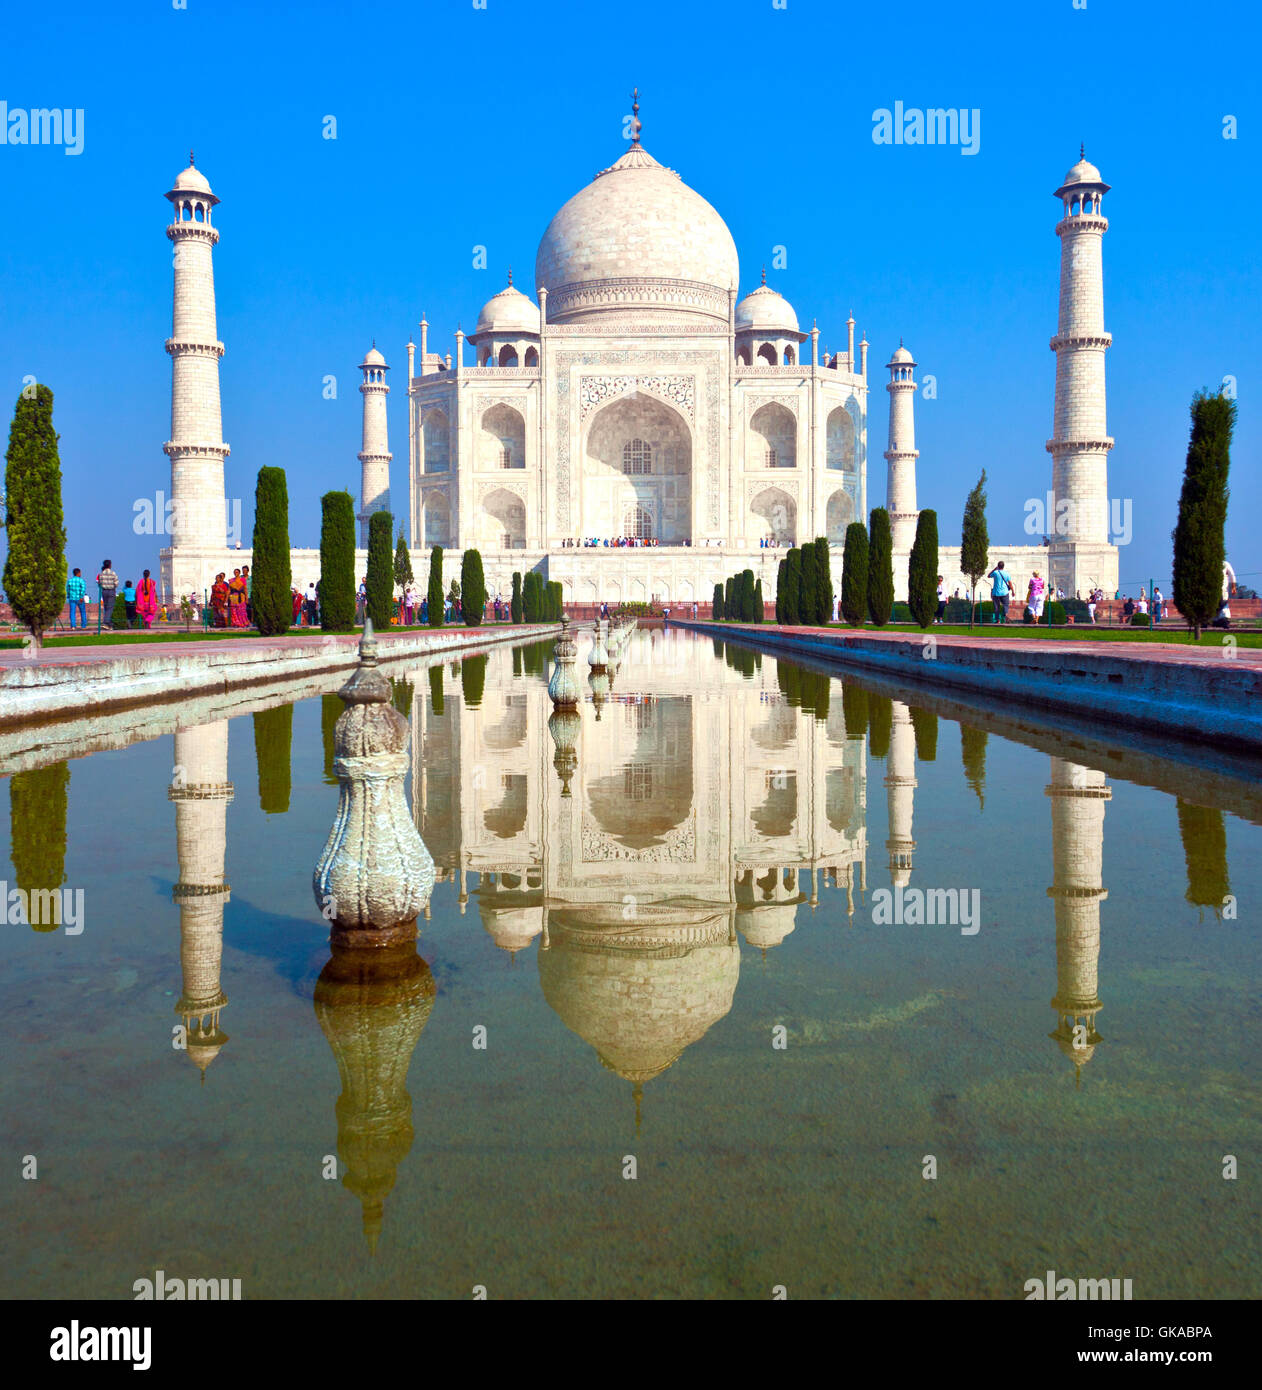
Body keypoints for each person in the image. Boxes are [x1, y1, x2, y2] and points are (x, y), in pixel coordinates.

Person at [96, 559, 119, 625]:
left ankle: (108, 622)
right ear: (110, 565)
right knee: (110, 607)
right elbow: (116, 583)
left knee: (106, 607)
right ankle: (106, 621)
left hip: (104, 591)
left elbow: (99, 583)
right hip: (111, 591)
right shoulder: (113, 573)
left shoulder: (101, 574)